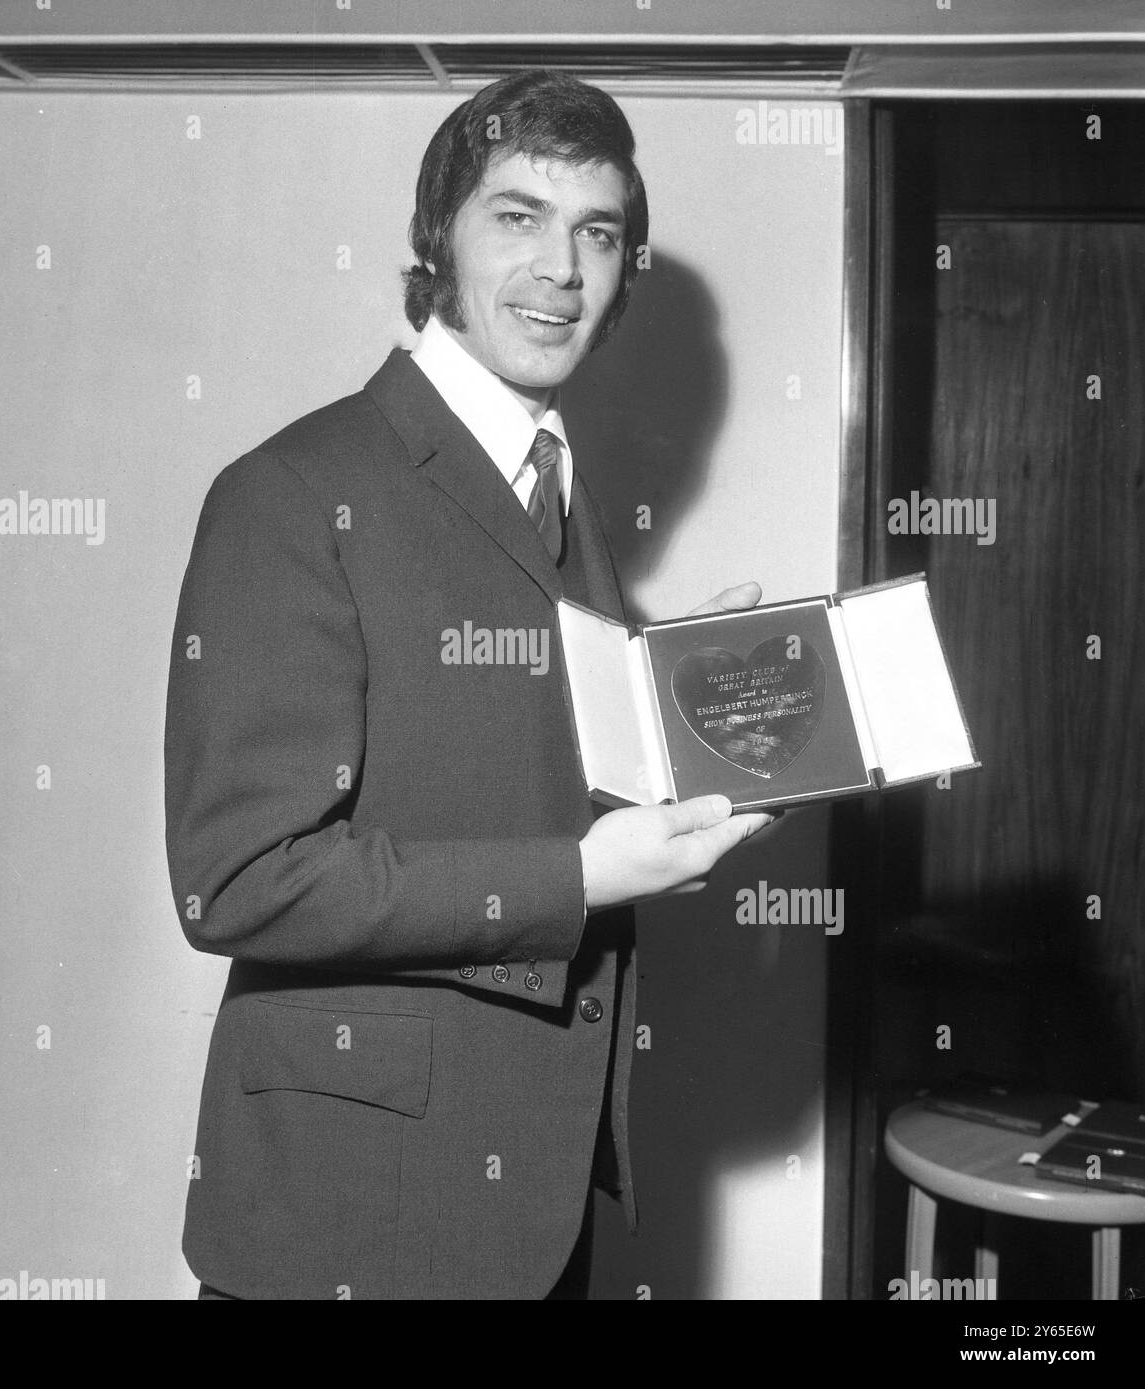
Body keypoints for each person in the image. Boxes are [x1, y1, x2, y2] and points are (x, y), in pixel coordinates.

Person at [164, 68, 772, 1301]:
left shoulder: (552, 484)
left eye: (596, 233)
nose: (561, 268)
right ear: (435, 241)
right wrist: (578, 881)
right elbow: (235, 880)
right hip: (356, 1217)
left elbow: (505, 750)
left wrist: (671, 695)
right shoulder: (289, 494)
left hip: (529, 1199)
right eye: (518, 217)